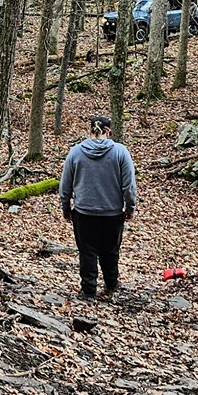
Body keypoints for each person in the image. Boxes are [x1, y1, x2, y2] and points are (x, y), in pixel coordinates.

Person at [59, 115, 137, 299]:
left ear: (90, 131)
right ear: (108, 131)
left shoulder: (76, 152)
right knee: (110, 251)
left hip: (84, 212)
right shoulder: (120, 152)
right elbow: (129, 186)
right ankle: (111, 285)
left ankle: (88, 291)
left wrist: (65, 208)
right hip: (112, 213)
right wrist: (130, 208)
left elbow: (65, 186)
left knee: (87, 252)